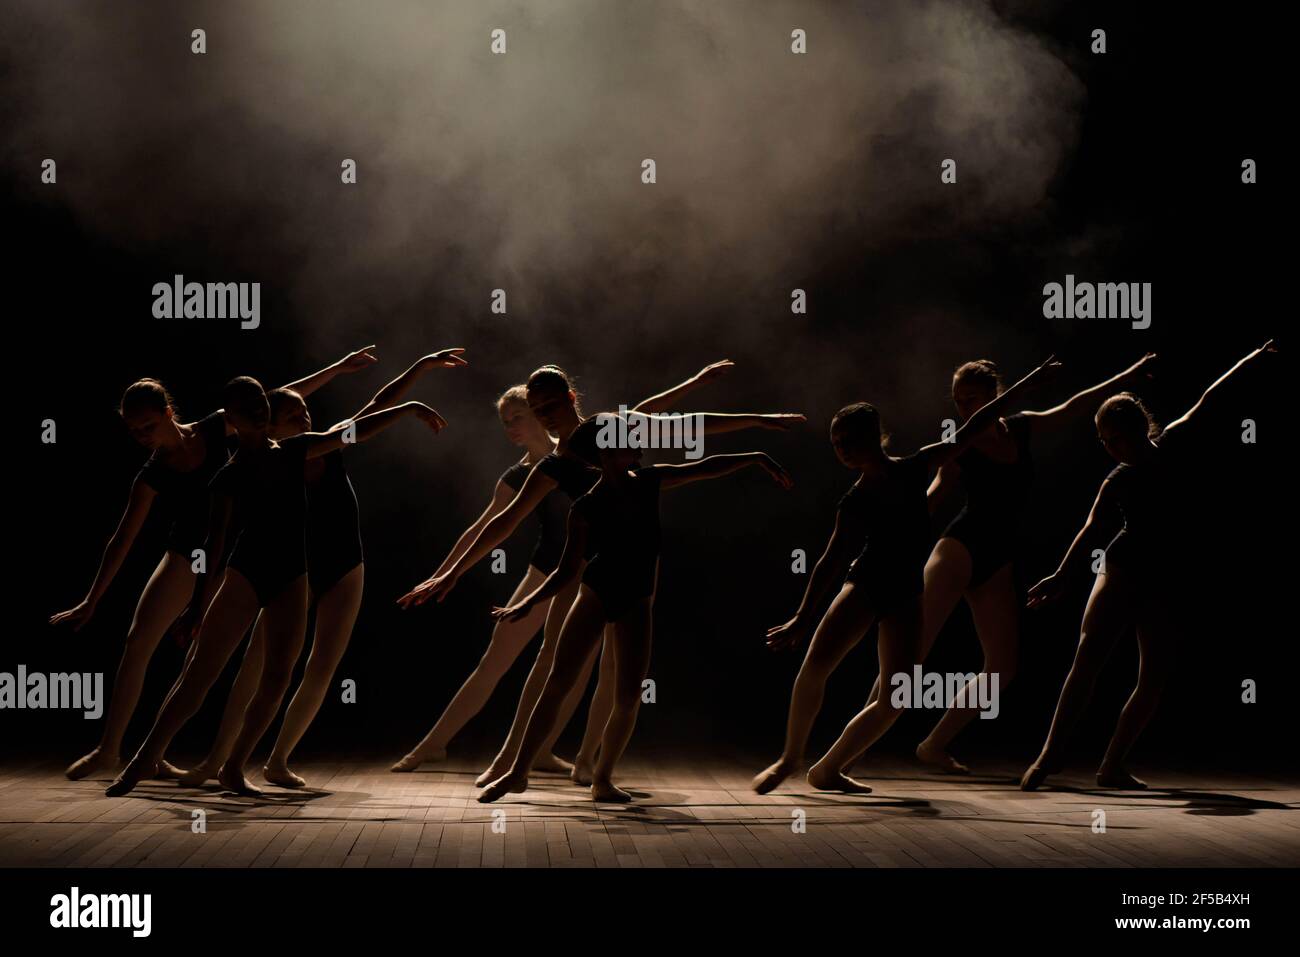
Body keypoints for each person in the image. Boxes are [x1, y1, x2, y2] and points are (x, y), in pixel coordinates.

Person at [106, 375, 447, 797]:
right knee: (197, 677)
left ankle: (234, 766)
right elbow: (214, 549)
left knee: (277, 677)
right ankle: (142, 760)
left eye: (259, 403)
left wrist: (409, 410)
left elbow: (352, 432)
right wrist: (196, 608)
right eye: (248, 406)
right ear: (233, 418)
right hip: (246, 573)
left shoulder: (294, 449)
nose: (257, 410)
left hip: (291, 575)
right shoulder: (229, 475)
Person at [52, 348, 378, 781]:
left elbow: (272, 401)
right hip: (186, 554)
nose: (144, 436)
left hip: (230, 556)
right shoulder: (152, 473)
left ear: (169, 412)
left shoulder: (213, 428)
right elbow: (122, 538)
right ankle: (110, 750)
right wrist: (92, 599)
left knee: (205, 663)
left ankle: (200, 759)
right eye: (134, 432)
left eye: (149, 425)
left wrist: (337, 369)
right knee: (138, 641)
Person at [755, 356, 1059, 794]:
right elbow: (830, 560)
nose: (842, 450)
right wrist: (803, 617)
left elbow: (977, 425)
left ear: (875, 438)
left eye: (849, 441)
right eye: (836, 444)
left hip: (905, 595)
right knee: (815, 667)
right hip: (864, 586)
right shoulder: (855, 500)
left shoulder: (915, 468)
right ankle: (789, 758)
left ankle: (827, 769)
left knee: (895, 697)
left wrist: (1029, 382)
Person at [177, 350, 468, 788]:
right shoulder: (269, 463)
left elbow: (376, 405)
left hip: (346, 563)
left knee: (322, 664)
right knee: (256, 667)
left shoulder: (328, 443)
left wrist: (420, 368)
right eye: (294, 414)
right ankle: (216, 761)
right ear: (270, 427)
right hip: (293, 569)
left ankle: (277, 761)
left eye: (305, 409)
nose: (306, 416)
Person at [480, 414, 794, 803]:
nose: (640, 445)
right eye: (629, 439)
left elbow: (702, 468)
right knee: (557, 683)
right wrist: (527, 602)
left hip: (636, 599)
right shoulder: (586, 507)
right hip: (596, 593)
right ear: (607, 451)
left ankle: (603, 778)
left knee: (628, 696)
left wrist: (753, 456)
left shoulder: (648, 481)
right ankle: (518, 771)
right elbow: (565, 571)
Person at [1021, 341, 1276, 791]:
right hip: (1120, 570)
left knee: (1153, 676)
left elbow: (1212, 397)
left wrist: (1253, 358)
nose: (1108, 448)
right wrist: (1062, 574)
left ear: (1140, 429)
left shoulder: (1172, 443)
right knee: (1087, 660)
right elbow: (1091, 532)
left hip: (1164, 579)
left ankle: (1112, 765)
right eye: (1102, 441)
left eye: (1114, 438)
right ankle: (1049, 754)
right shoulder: (1116, 478)